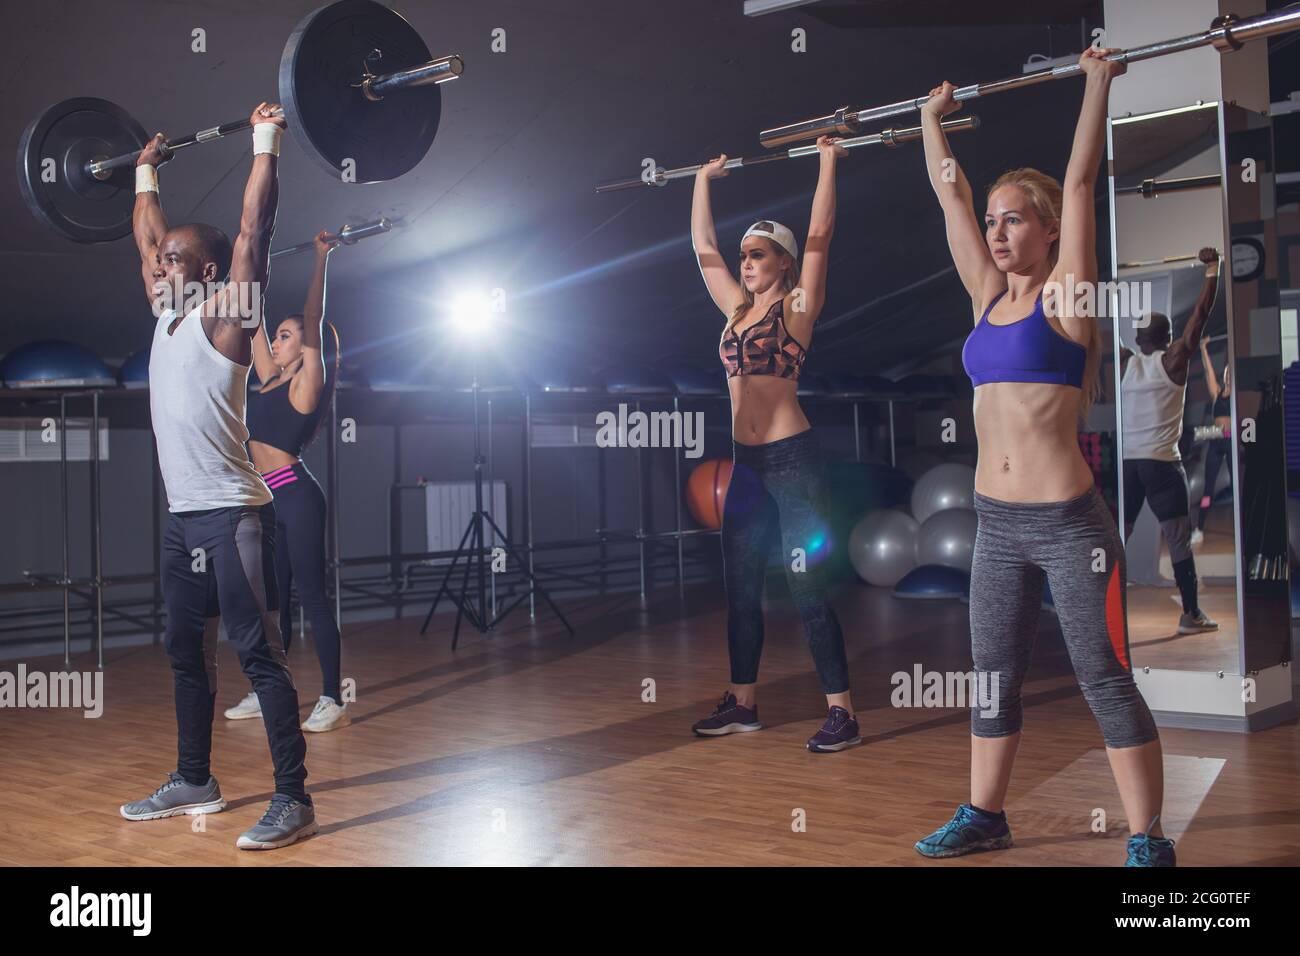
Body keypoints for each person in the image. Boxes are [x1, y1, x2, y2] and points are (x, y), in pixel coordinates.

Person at [913, 51, 1174, 866]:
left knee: (1103, 677)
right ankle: (985, 815)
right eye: (993, 219)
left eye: (1014, 218)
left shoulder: (1067, 298)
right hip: (996, 524)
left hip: (1069, 527)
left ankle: (1147, 838)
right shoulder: (988, 298)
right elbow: (947, 194)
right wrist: (930, 121)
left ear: (1050, 228)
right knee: (993, 676)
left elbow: (1084, 180)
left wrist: (1096, 84)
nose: (996, 229)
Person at [118, 103, 316, 851]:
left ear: (203, 273)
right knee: (182, 650)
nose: (157, 268)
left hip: (232, 516)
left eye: (171, 263)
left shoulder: (227, 319)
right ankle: (195, 777)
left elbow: (254, 232)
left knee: (256, 654)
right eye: (159, 261)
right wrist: (145, 171)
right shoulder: (164, 317)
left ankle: (293, 798)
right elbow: (144, 235)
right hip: (182, 522)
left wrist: (266, 140)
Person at [688, 135, 861, 754]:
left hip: (793, 461)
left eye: (759, 255)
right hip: (747, 467)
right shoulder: (734, 312)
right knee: (740, 588)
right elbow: (703, 247)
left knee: (805, 587)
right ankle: (743, 703)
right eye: (746, 255)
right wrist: (704, 177)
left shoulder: (797, 308)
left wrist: (827, 163)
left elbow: (821, 233)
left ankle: (842, 712)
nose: (747, 263)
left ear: (783, 263)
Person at [224, 230, 348, 733]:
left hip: (295, 494)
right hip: (266, 502)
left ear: (306, 348)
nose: (277, 340)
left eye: (287, 336)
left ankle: (333, 697)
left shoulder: (305, 382)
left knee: (311, 597)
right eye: (277, 334)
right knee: (275, 602)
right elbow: (249, 314)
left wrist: (320, 258)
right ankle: (269, 688)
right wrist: (245, 264)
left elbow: (314, 320)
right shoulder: (267, 379)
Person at [1118, 248, 1220, 633]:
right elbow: (1200, 317)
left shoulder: (1125, 361)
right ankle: (1190, 614)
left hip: (1129, 464)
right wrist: (1212, 269)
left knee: (1116, 539)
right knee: (1178, 540)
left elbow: (1091, 328)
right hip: (1162, 465)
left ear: (1138, 338)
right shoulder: (1175, 360)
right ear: (1168, 337)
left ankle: (1098, 611)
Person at [1193, 339, 1233, 545]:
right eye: (1226, 373)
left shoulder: (1236, 398)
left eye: (1230, 374)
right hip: (1216, 442)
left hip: (1231, 442)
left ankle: (1242, 529)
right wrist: (1203, 349)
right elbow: (1209, 371)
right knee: (1208, 489)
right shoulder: (1217, 395)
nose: (1228, 376)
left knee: (1237, 486)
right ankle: (1199, 528)